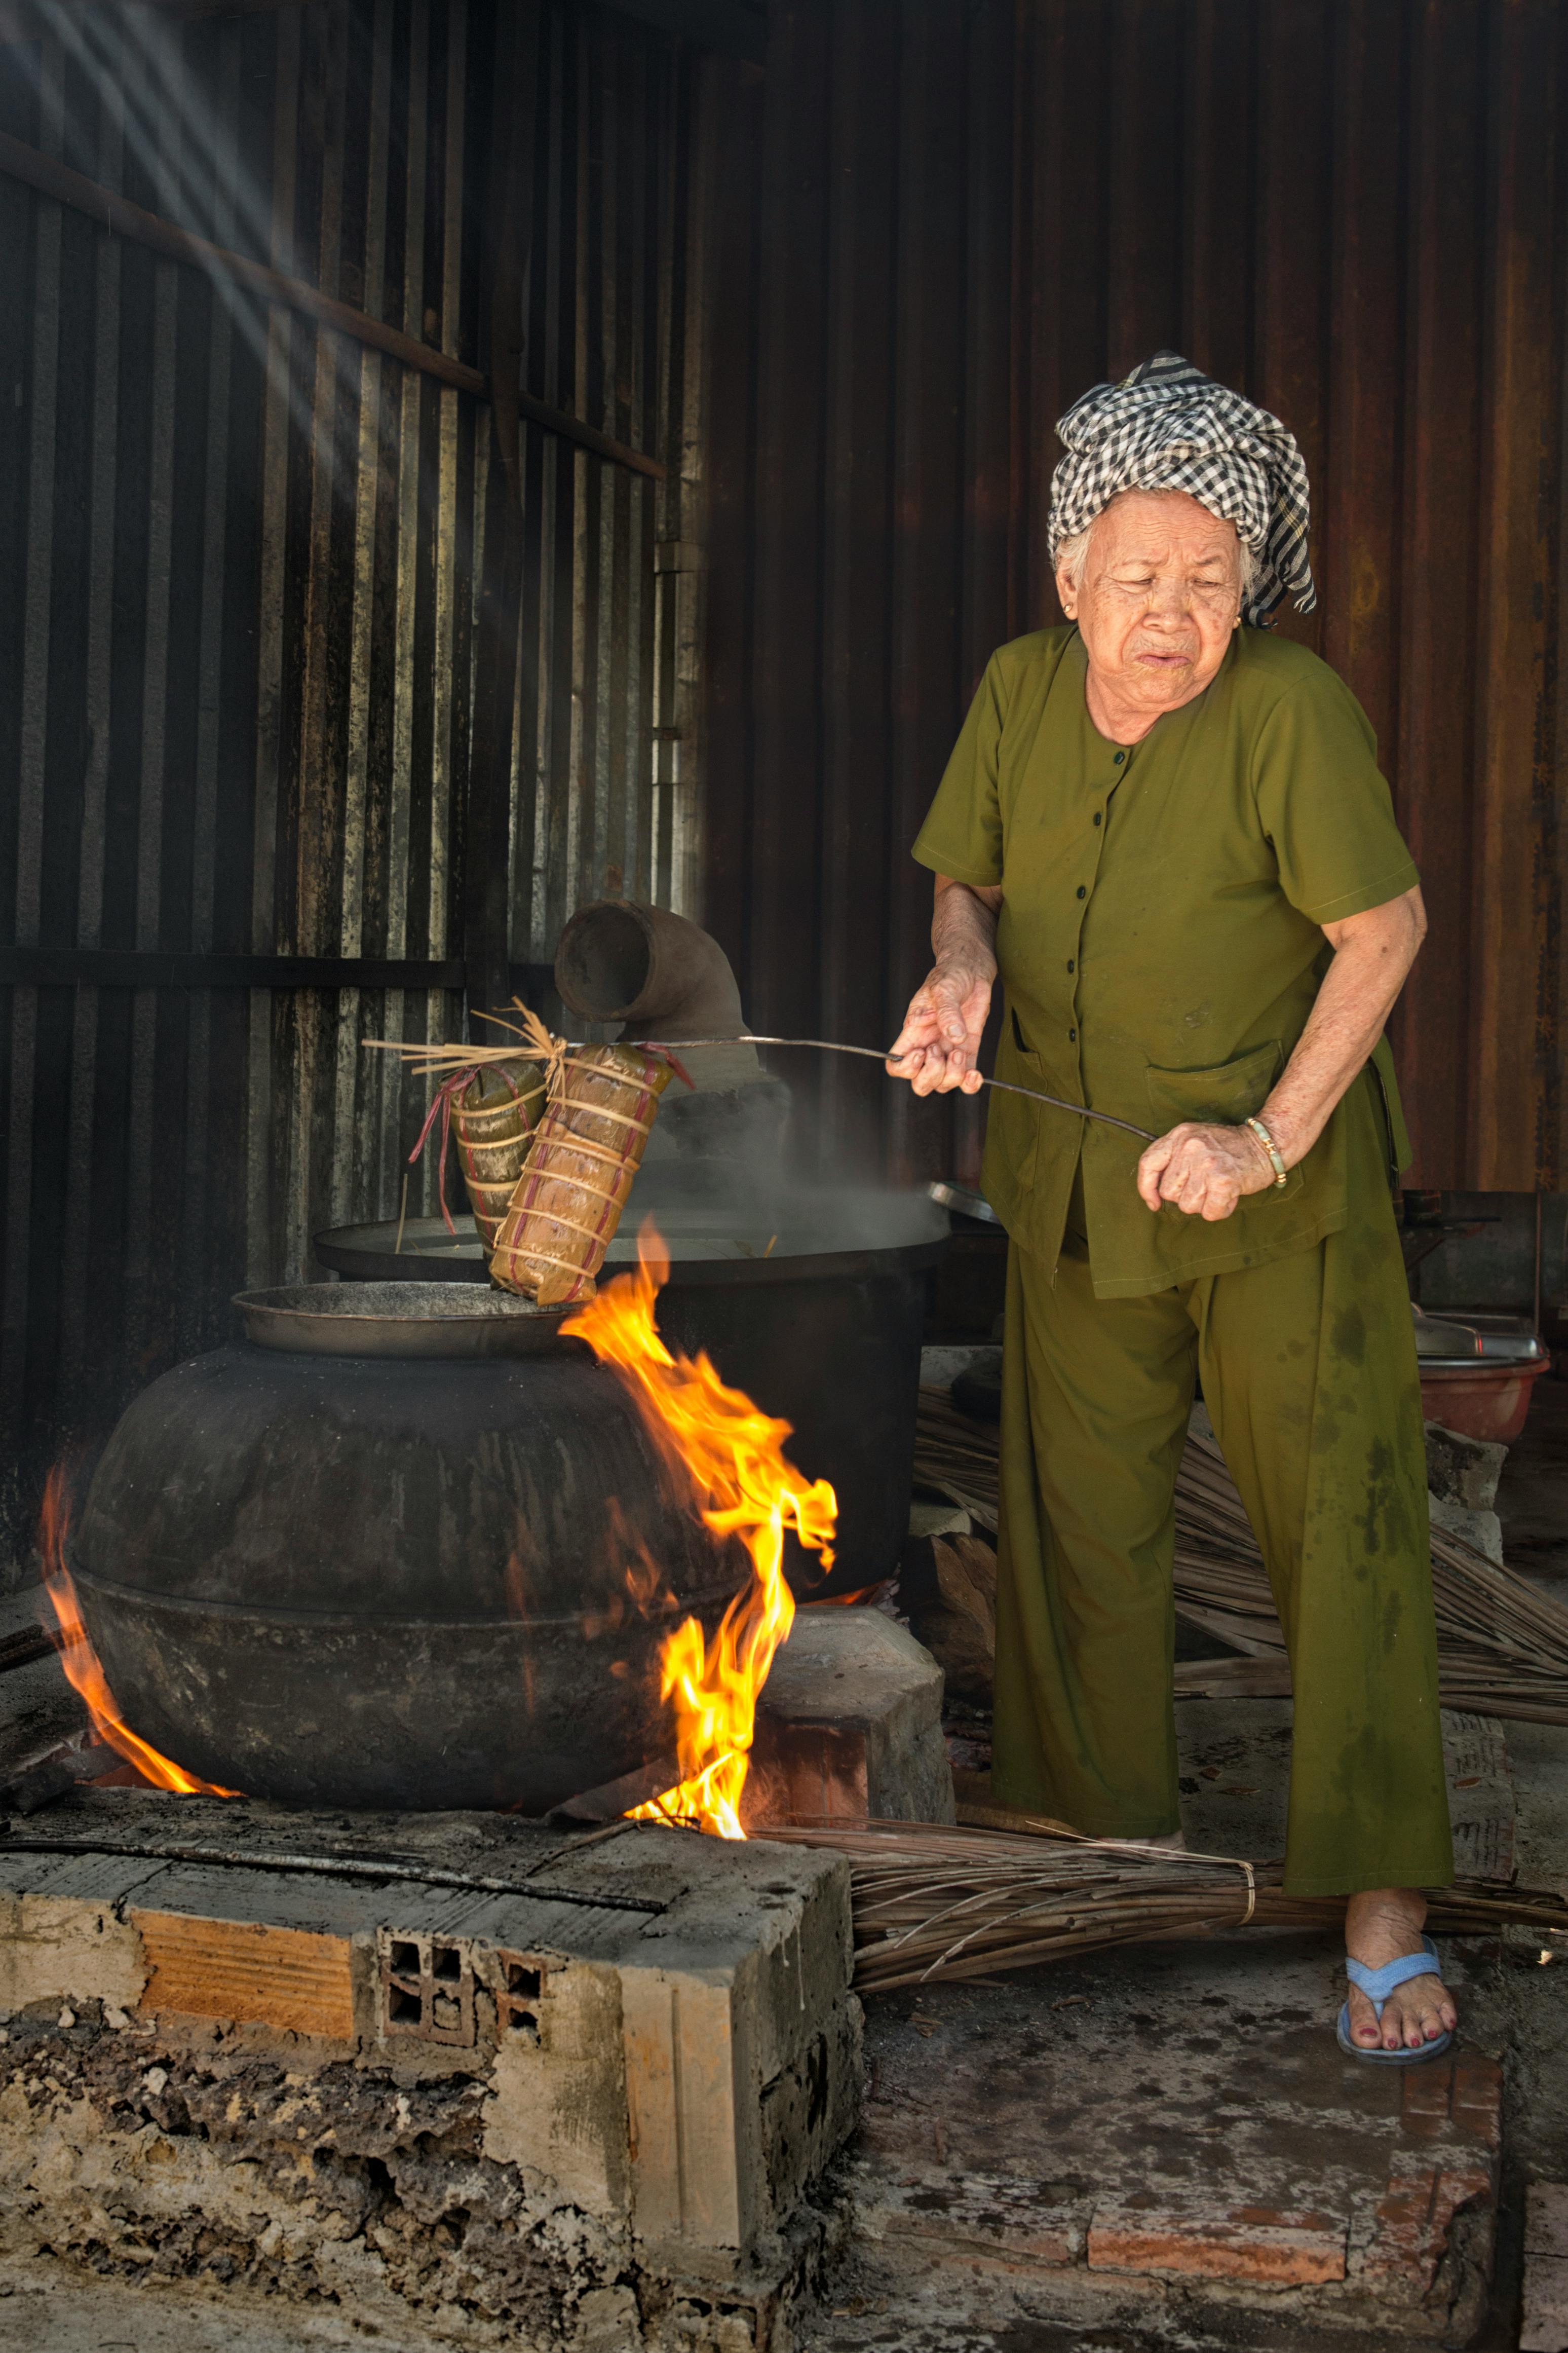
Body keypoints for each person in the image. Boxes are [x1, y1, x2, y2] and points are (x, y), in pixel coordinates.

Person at [889, 352, 1457, 2064]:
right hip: (1073, 1189)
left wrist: (1268, 1139)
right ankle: (1098, 1867)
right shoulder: (1015, 690)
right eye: (1138, 576)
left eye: (1210, 579)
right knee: (1079, 1550)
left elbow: (1389, 932)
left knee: (1342, 1539)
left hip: (1280, 1197)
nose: (1172, 611)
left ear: (1249, 591)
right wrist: (958, 972)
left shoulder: (1290, 708)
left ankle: (1378, 1917)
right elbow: (962, 875)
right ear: (1071, 579)